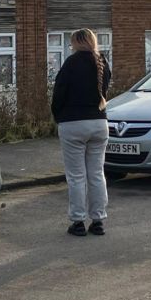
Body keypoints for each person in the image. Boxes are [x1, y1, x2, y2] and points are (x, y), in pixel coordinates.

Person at [51, 28, 112, 237]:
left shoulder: (71, 63)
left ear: (76, 44)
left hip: (73, 124)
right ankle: (98, 221)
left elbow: (58, 93)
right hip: (99, 123)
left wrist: (58, 117)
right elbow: (103, 91)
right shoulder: (102, 63)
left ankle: (78, 222)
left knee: (76, 176)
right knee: (96, 173)